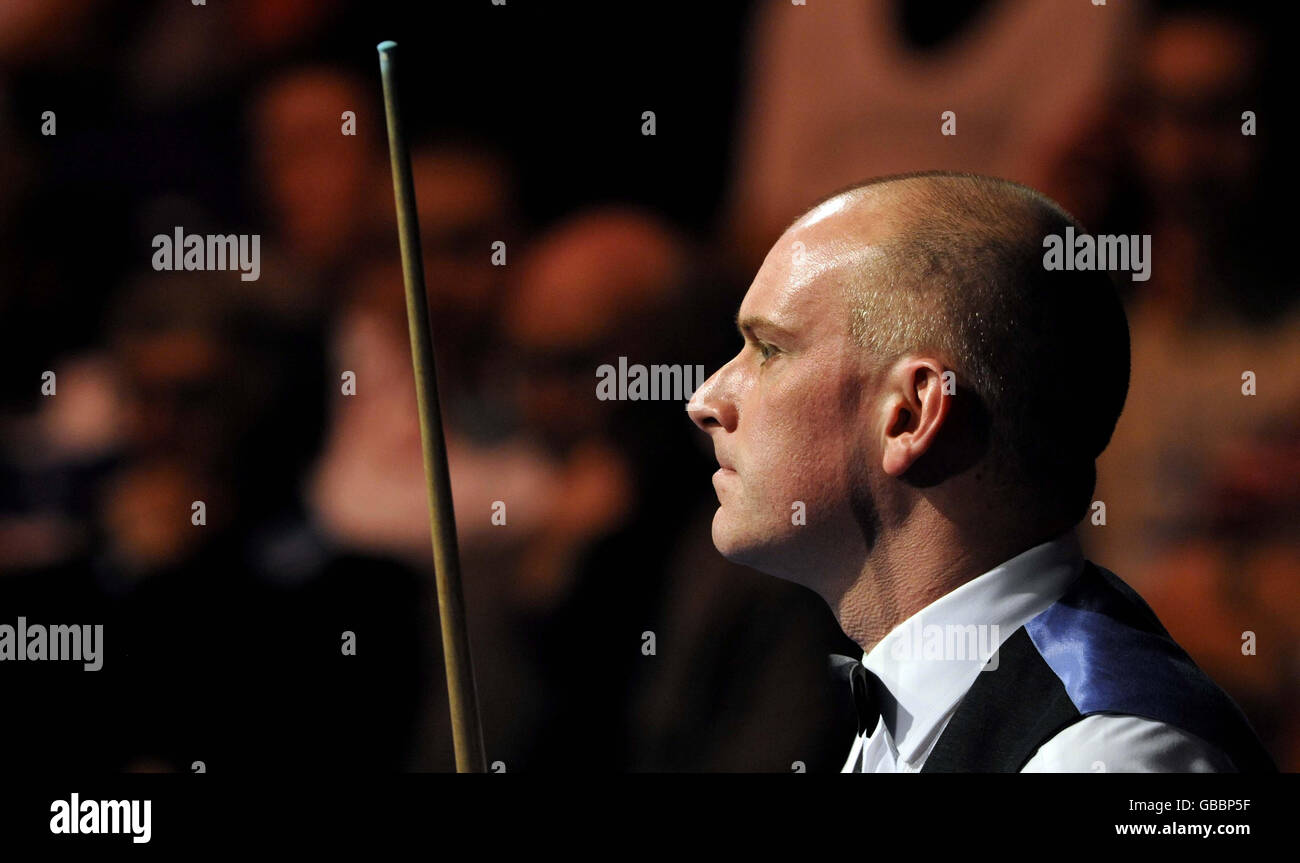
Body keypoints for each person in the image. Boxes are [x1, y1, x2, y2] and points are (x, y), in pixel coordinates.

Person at [686, 171, 1277, 773]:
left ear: (910, 414)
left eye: (769, 349)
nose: (705, 399)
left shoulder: (1105, 754)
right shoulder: (912, 706)